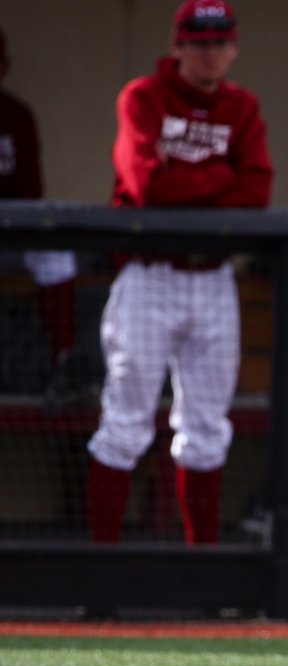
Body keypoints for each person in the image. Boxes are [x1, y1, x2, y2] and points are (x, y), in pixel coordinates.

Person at [86, 0, 272, 544]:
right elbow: (146, 186)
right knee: (125, 421)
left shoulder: (242, 106)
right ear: (178, 47)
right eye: (197, 42)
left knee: (207, 427)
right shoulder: (143, 96)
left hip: (213, 278)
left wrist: (186, 178)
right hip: (149, 276)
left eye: (218, 42)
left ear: (232, 47)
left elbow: (257, 189)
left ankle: (204, 566)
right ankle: (101, 568)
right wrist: (220, 175)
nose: (209, 52)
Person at [0, 26, 83, 407]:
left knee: (56, 252)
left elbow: (33, 191)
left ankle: (64, 363)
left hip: (12, 230)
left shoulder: (16, 115)